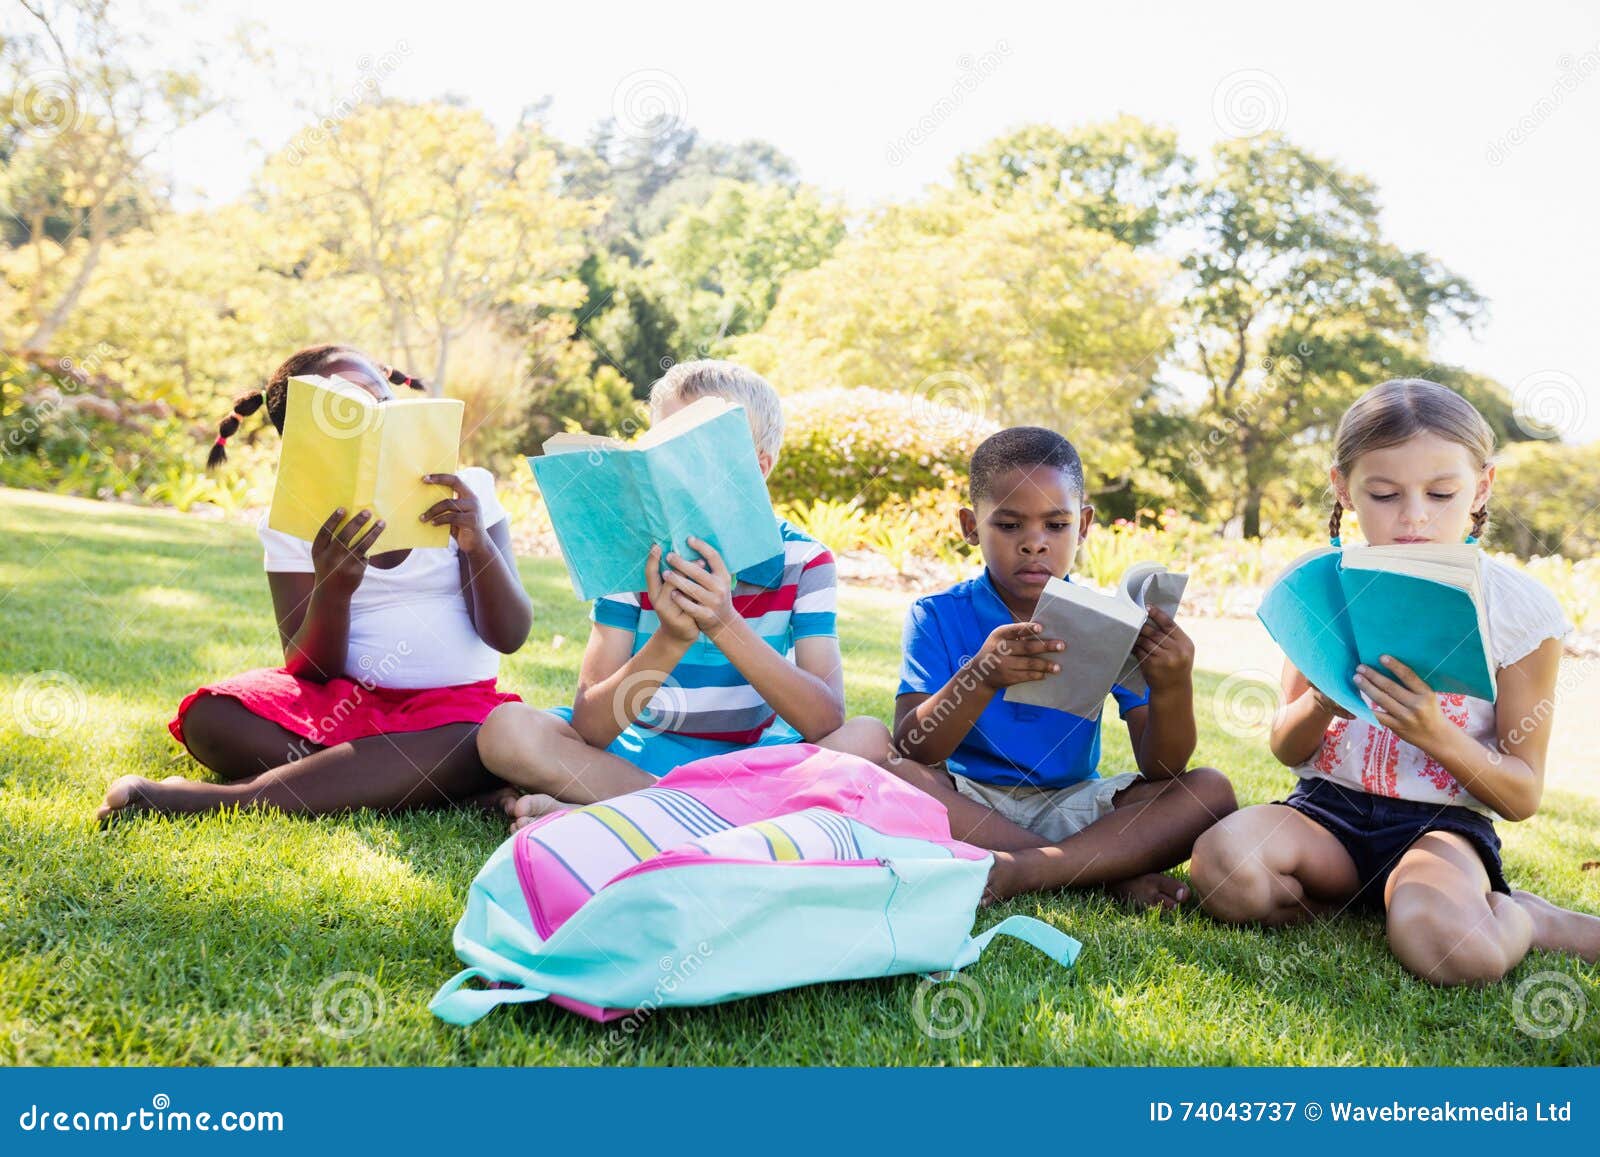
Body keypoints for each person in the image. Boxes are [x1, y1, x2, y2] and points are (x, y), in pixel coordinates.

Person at [1191, 378, 1600, 984]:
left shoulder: (1521, 614)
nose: (1413, 517)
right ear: (1344, 489)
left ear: (1482, 486)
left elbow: (1521, 796)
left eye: (1441, 493)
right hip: (1325, 816)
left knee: (1454, 954)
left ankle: (1524, 919)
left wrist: (1435, 733)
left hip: (1441, 831)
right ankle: (1368, 905)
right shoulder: (1321, 587)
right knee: (1223, 868)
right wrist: (1323, 705)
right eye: (1383, 494)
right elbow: (1285, 745)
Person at [98, 344, 531, 821]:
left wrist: (477, 545)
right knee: (211, 716)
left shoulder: (468, 491)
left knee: (485, 740)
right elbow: (309, 671)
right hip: (341, 709)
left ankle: (229, 800)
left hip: (454, 715)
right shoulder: (290, 522)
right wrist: (333, 587)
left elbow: (509, 635)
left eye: (380, 400)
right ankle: (424, 786)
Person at [479, 359, 887, 826]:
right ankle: (703, 816)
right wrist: (670, 639)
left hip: (754, 763)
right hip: (636, 759)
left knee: (867, 739)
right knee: (505, 732)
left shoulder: (805, 562)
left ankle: (628, 813)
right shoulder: (632, 555)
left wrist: (724, 623)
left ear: (758, 469)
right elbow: (590, 727)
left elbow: (826, 721)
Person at [888, 426, 1236, 907]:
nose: (1034, 543)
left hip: (1070, 805)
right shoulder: (937, 614)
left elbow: (1164, 767)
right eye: (1009, 526)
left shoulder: (1108, 622)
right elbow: (912, 747)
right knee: (884, 767)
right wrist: (981, 676)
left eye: (1055, 525)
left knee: (1210, 791)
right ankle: (1094, 872)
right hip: (968, 802)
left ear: (1085, 524)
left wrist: (1173, 685)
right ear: (971, 526)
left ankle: (1030, 868)